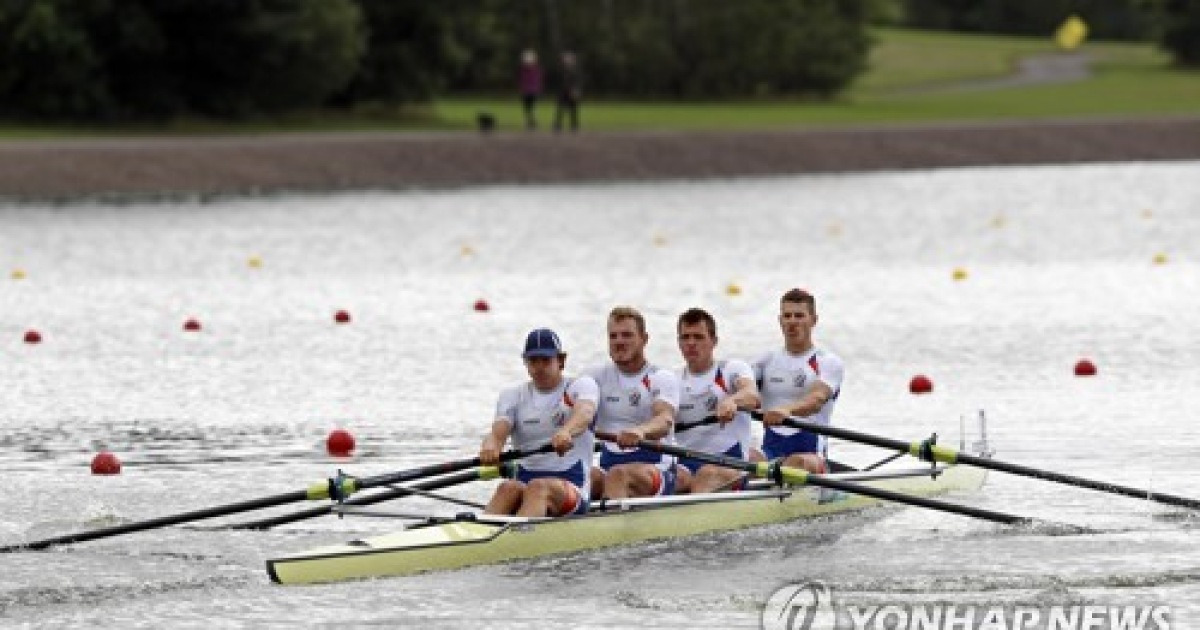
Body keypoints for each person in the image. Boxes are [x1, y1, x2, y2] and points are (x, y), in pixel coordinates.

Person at [479, 328, 598, 517]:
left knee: (538, 487)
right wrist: (491, 447)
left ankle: (514, 540)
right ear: (526, 363)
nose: (539, 367)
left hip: (572, 488)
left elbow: (585, 414)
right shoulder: (513, 395)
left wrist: (566, 432)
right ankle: (481, 538)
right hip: (526, 485)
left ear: (561, 360)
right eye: (533, 361)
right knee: (506, 488)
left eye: (546, 360)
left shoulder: (580, 386)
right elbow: (497, 433)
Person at [588, 306, 679, 499]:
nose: (619, 342)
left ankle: (607, 526)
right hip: (609, 466)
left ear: (644, 339)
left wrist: (639, 432)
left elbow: (664, 420)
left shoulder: (660, 377)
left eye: (627, 335)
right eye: (613, 336)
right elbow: (572, 408)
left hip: (656, 468)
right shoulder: (595, 377)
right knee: (586, 475)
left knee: (618, 474)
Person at [753, 289, 844, 474]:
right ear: (780, 321)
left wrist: (787, 410)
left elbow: (816, 400)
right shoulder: (765, 360)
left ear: (814, 320)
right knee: (745, 458)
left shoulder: (827, 362)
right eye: (787, 316)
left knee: (795, 463)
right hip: (770, 453)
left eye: (799, 316)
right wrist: (732, 402)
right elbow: (745, 391)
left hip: (810, 455)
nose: (792, 322)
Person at [673, 308, 761, 494]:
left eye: (698, 337)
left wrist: (733, 401)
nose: (691, 343)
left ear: (714, 341)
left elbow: (752, 395)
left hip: (730, 462)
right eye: (685, 337)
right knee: (666, 476)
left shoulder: (731, 369)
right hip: (686, 464)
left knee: (707, 474)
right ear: (678, 342)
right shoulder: (672, 380)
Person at [552, 51, 582, 132]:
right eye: (565, 59)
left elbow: (578, 81)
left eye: (569, 59)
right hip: (562, 92)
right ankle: (558, 125)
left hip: (572, 92)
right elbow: (557, 81)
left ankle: (574, 125)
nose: (567, 60)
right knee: (560, 108)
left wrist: (576, 90)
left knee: (573, 109)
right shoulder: (560, 70)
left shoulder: (575, 70)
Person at [518, 49, 543, 130]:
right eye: (527, 60)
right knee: (526, 107)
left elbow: (538, 80)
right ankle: (527, 121)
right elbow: (521, 80)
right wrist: (522, 88)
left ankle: (533, 121)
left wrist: (537, 88)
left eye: (530, 60)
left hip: (534, 91)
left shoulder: (536, 70)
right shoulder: (522, 70)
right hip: (525, 91)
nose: (528, 62)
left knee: (534, 107)